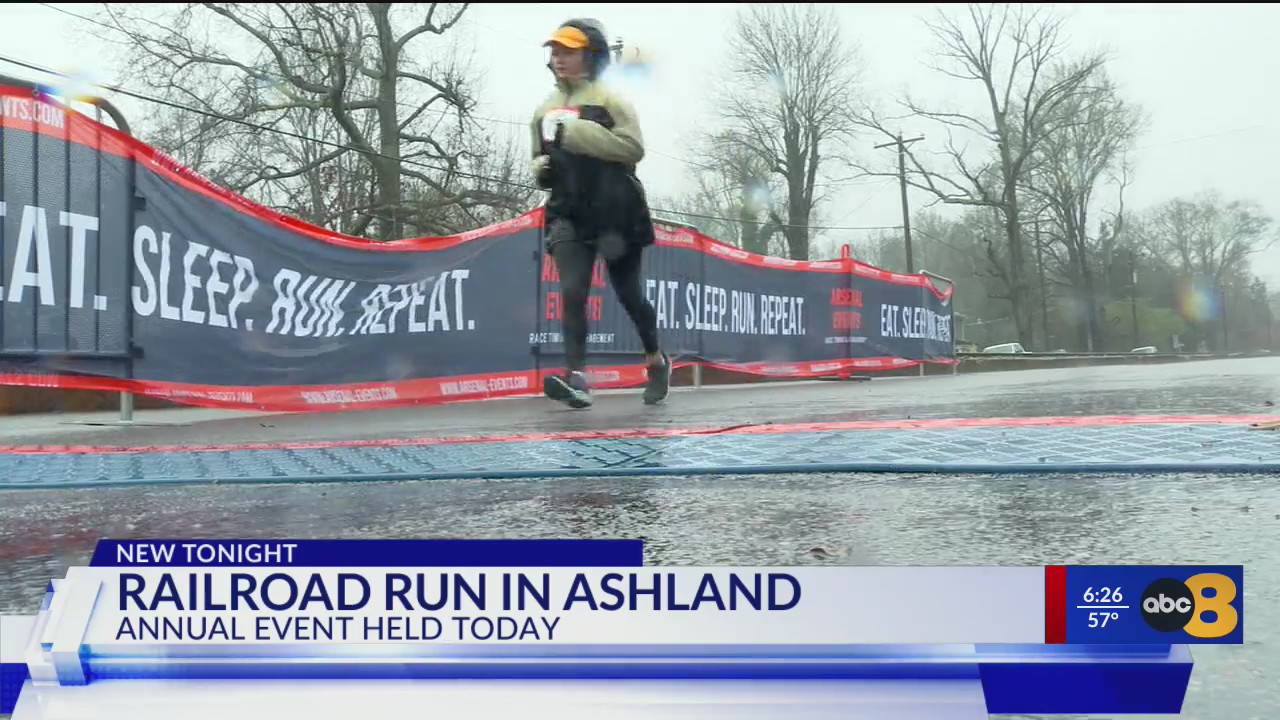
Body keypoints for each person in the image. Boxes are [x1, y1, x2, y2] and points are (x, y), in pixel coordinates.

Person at [530, 18, 671, 410]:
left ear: (591, 56)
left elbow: (632, 149)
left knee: (629, 295)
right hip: (567, 212)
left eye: (568, 51)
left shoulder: (613, 101)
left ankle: (656, 360)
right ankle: (577, 378)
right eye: (555, 51)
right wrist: (540, 168)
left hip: (617, 213)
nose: (558, 58)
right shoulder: (543, 108)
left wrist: (575, 133)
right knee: (572, 290)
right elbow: (538, 159)